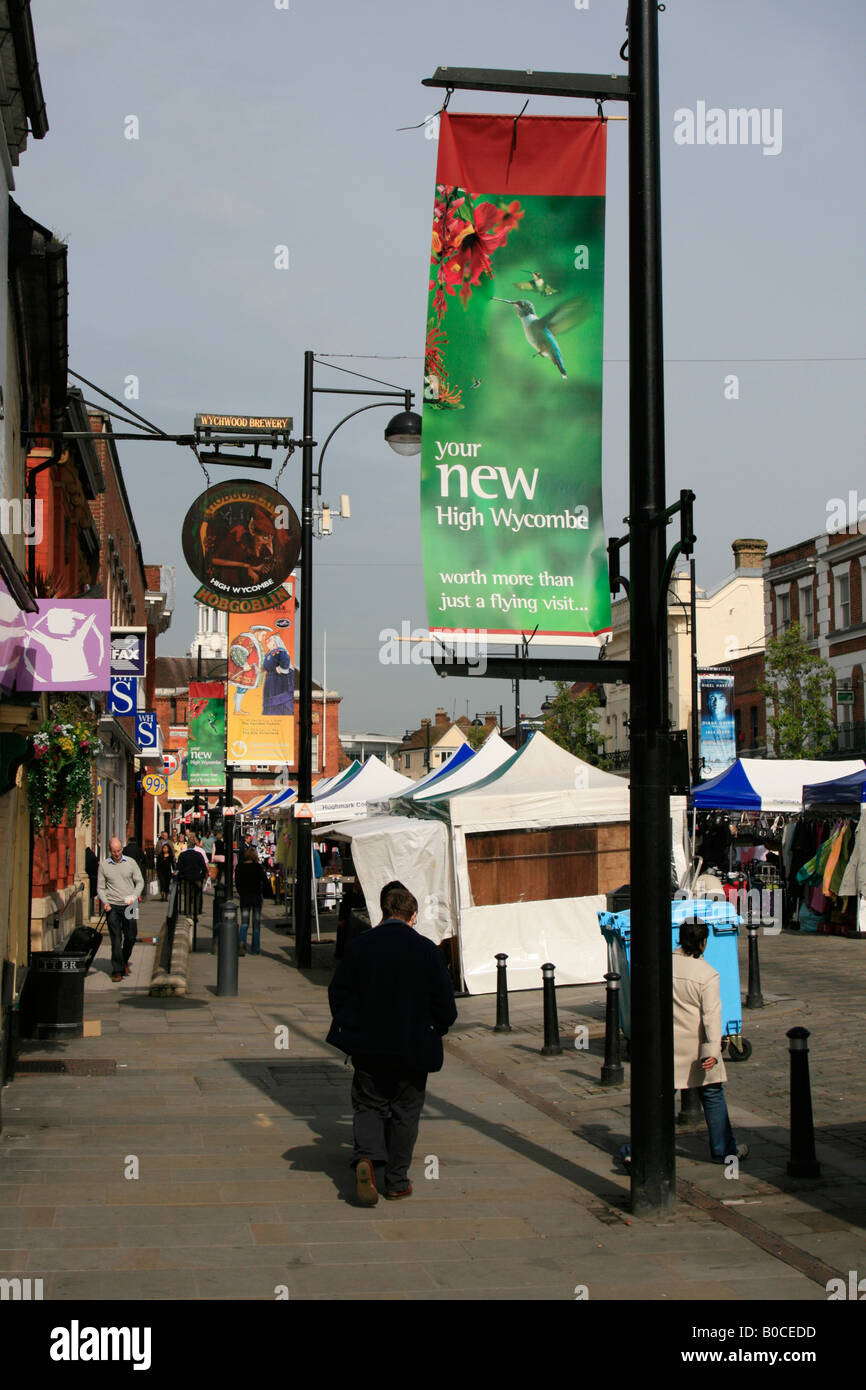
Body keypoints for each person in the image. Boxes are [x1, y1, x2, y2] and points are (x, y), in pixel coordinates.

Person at [327, 884, 457, 1206]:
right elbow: (446, 1008)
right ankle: (397, 1181)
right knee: (405, 1111)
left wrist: (350, 1025)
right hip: (412, 1047)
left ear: (384, 913)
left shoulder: (360, 946)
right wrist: (433, 1029)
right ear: (412, 916)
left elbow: (337, 992)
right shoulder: (427, 951)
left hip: (368, 1045)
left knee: (369, 1104)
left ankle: (368, 1159)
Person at [673, 917, 748, 1164]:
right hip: (695, 1046)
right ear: (704, 942)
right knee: (713, 1094)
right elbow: (711, 1016)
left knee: (659, 1099)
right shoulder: (707, 974)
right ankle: (724, 1149)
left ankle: (637, 1147)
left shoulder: (663, 965)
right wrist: (712, 1050)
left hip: (666, 1045)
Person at [96, 838, 144, 982]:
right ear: (110, 850)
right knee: (116, 939)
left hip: (130, 904)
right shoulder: (104, 866)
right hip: (113, 906)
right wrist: (105, 902)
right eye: (114, 851)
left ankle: (123, 960)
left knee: (131, 936)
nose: (117, 854)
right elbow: (100, 887)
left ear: (122, 849)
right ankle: (117, 970)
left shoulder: (130, 863)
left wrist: (134, 896)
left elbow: (140, 881)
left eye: (119, 851)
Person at [235, 847, 269, 955]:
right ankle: (255, 949)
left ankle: (241, 942)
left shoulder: (239, 867)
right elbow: (265, 881)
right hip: (256, 896)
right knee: (256, 924)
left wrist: (241, 892)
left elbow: (237, 882)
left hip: (245, 896)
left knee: (244, 923)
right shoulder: (258, 867)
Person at [175, 835, 208, 916]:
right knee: (197, 895)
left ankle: (187, 911)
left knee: (187, 895)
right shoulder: (198, 854)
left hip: (186, 878)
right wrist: (201, 876)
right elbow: (204, 868)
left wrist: (180, 876)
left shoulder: (182, 855)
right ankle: (196, 911)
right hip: (196, 877)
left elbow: (178, 867)